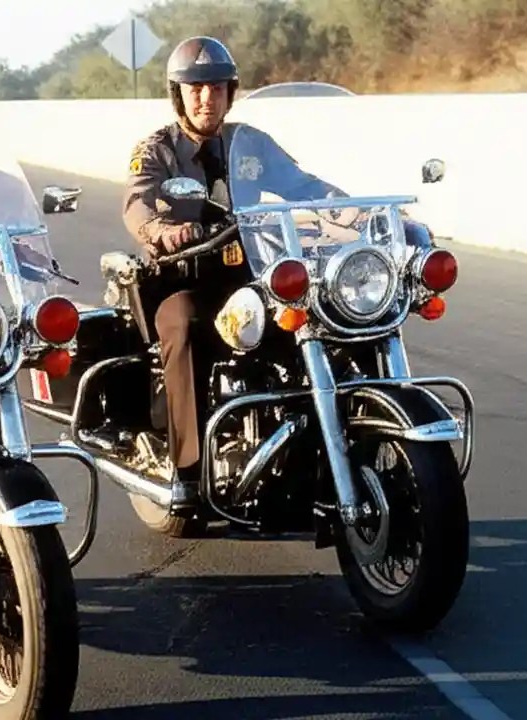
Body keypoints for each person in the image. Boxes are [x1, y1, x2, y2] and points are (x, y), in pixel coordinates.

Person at [121, 36, 351, 505]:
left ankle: (321, 447)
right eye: (196, 88)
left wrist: (345, 210)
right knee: (182, 324)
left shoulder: (250, 144)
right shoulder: (156, 150)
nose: (207, 97)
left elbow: (301, 184)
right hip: (184, 276)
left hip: (245, 274)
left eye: (217, 87)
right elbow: (137, 204)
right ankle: (187, 473)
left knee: (316, 313)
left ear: (230, 91)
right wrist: (165, 231)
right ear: (178, 95)